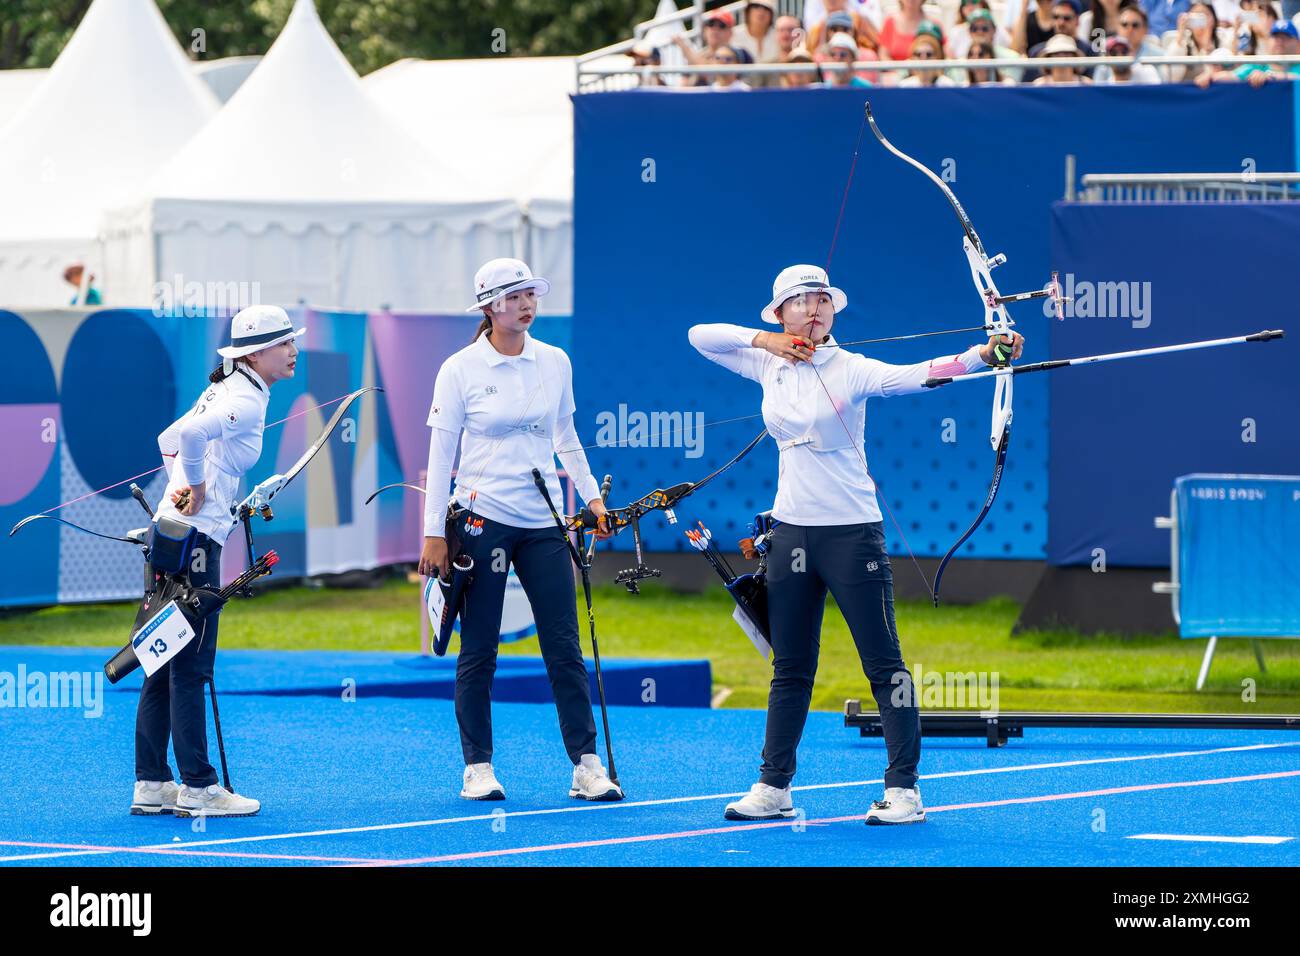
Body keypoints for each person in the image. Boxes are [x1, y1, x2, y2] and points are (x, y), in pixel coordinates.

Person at [688, 265, 1024, 825]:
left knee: (883, 664)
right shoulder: (766, 361)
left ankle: (904, 790)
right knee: (790, 665)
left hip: (851, 533)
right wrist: (769, 342)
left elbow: (919, 375)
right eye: (800, 302)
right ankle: (774, 786)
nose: (814, 308)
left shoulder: (851, 368)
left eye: (822, 299)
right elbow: (700, 334)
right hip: (791, 533)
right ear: (779, 314)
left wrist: (983, 356)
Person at [418, 258, 621, 803]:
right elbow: (441, 457)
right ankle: (478, 767)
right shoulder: (459, 368)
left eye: (529, 293)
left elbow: (567, 437)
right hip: (482, 522)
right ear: (488, 308)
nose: (525, 304)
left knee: (564, 646)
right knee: (480, 646)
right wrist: (434, 531)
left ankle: (586, 764)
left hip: (544, 522)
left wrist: (594, 499)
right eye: (512, 297)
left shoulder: (554, 361)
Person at [131, 304, 302, 818]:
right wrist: (200, 490)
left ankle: (152, 783)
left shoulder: (231, 390)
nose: (294, 350)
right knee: (191, 664)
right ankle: (200, 788)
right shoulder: (243, 399)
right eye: (285, 343)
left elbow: (170, 439)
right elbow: (186, 439)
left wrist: (186, 493)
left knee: (162, 656)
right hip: (197, 542)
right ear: (255, 353)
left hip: (170, 532)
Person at [1202, 18, 1300, 82]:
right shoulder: (1258, 66)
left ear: (1298, 43)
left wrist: (1271, 76)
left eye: (1286, 37)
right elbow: (1232, 76)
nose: (1279, 41)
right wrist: (1210, 77)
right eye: (1275, 37)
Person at [1164, 1, 1229, 81]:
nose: (1200, 19)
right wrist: (1180, 36)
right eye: (1196, 15)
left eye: (1204, 15)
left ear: (1213, 18)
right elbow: (1172, 77)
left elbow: (1227, 72)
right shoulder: (1183, 41)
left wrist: (1206, 46)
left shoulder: (1222, 38)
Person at [732, 0, 783, 86]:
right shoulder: (734, 35)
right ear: (748, 12)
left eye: (766, 8)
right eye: (755, 7)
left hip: (773, 86)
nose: (761, 12)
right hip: (743, 86)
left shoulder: (778, 35)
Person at [947, 0, 1014, 57]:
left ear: (994, 31)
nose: (979, 32)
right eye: (974, 29)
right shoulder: (956, 32)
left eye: (985, 28)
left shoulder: (1000, 33)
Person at [1095, 33, 1163, 79]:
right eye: (1113, 53)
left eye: (1124, 51)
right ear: (1107, 57)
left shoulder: (1148, 72)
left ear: (1132, 53)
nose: (1119, 56)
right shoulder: (1105, 87)